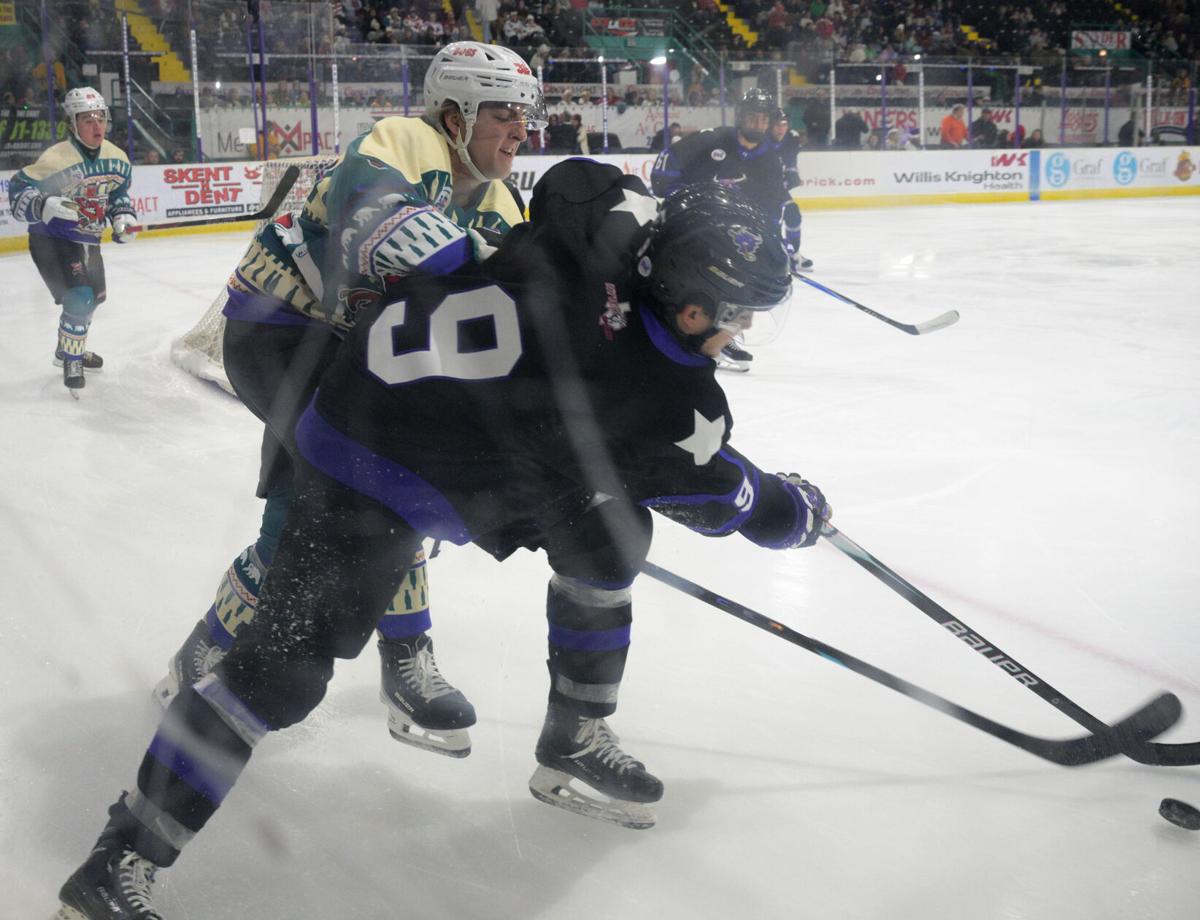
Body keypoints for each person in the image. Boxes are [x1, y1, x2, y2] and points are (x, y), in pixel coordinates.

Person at [56, 160, 831, 919]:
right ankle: (114, 865)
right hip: (382, 457)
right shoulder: (654, 396)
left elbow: (573, 178)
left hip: (433, 404)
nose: (743, 330)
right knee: (279, 673)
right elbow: (727, 497)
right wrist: (794, 513)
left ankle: (573, 733)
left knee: (611, 534)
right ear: (691, 308)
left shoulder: (604, 219)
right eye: (738, 313)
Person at [152, 41, 546, 761]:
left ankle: (405, 658)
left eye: (526, 114)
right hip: (280, 333)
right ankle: (203, 653)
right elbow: (382, 229)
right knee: (312, 504)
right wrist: (500, 269)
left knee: (404, 490)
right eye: (503, 113)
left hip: (358, 351)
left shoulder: (496, 197)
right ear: (454, 114)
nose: (521, 130)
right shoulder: (408, 139)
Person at [650, 88, 795, 372]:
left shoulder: (770, 160)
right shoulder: (712, 139)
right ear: (741, 117)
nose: (759, 124)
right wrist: (676, 193)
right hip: (693, 227)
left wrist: (772, 245)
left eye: (764, 119)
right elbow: (669, 160)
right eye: (753, 118)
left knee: (747, 283)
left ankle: (718, 335)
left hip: (732, 238)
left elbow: (773, 205)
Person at [8, 86, 138, 393]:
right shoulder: (57, 159)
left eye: (101, 118)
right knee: (80, 298)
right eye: (88, 119)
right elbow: (17, 191)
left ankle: (66, 348)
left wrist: (123, 217)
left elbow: (117, 194)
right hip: (51, 238)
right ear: (73, 124)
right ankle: (72, 359)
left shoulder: (116, 158)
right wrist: (43, 204)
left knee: (94, 299)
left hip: (88, 241)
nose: (97, 126)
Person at [768, 109, 812, 273]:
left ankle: (795, 254)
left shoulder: (792, 138)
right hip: (756, 187)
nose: (781, 129)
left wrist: (792, 175)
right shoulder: (761, 140)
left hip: (777, 187)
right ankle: (776, 254)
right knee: (772, 221)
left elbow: (790, 162)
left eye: (784, 125)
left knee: (793, 213)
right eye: (777, 125)